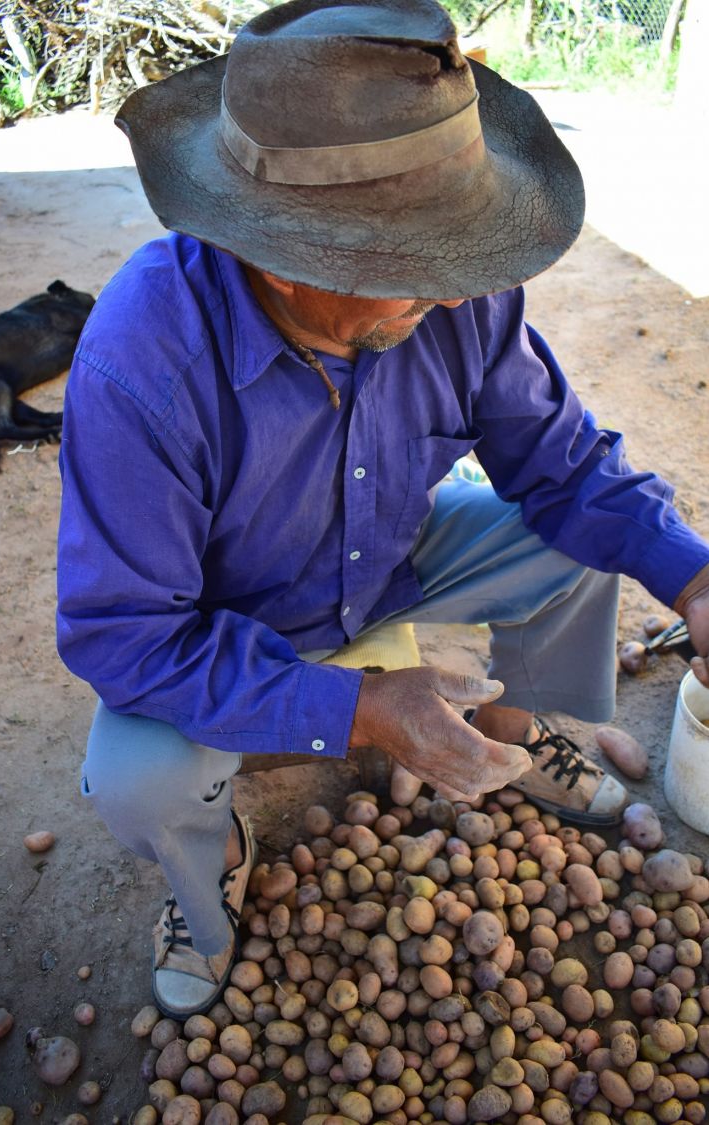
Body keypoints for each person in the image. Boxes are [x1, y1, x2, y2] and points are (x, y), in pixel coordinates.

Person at [56, 0, 709, 1020]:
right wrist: (358, 711)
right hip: (239, 630)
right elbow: (126, 638)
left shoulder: (459, 295)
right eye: (417, 267)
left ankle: (508, 724)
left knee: (585, 539)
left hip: (397, 562)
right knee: (136, 774)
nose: (454, 297)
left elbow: (566, 466)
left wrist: (696, 580)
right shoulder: (146, 362)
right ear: (283, 254)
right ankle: (212, 868)